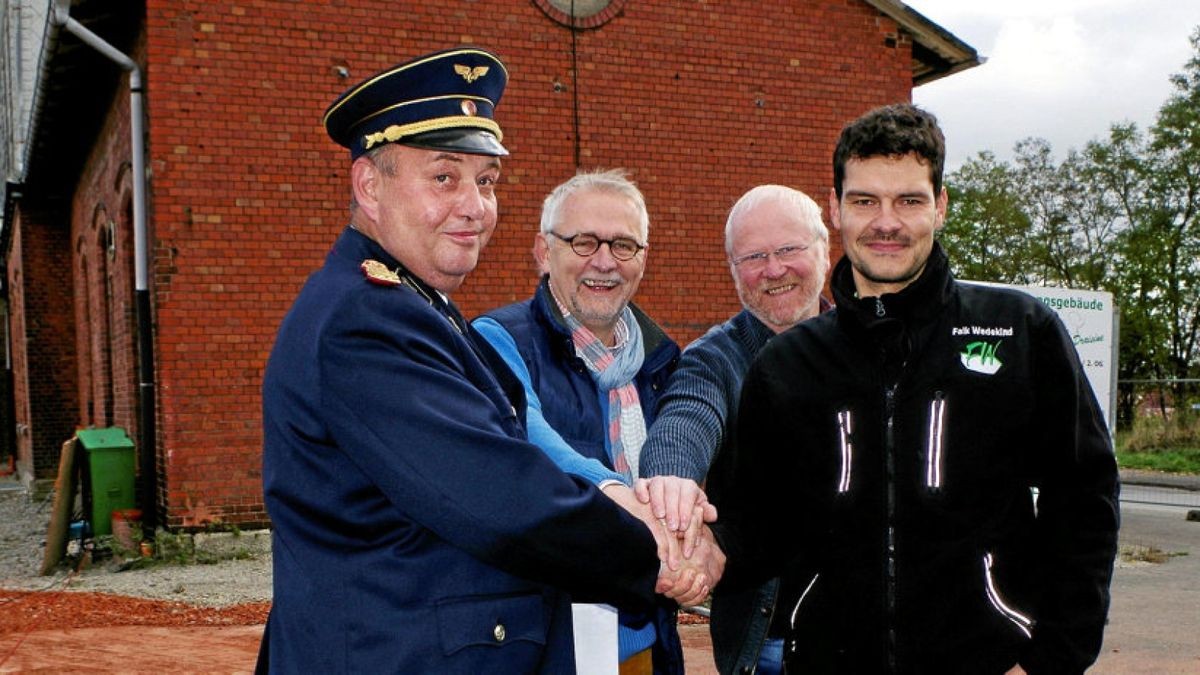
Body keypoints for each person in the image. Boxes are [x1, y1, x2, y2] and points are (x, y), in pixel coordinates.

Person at [258, 47, 718, 674]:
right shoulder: (365, 321)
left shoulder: (417, 307)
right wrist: (659, 552)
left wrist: (624, 502)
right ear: (369, 185)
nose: (474, 206)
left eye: (486, 181)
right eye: (444, 177)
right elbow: (500, 499)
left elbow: (524, 446)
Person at [713, 103, 1120, 674]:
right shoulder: (788, 364)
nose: (886, 222)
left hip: (988, 661)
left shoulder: (1021, 330)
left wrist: (1054, 658)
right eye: (864, 201)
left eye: (908, 200)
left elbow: (1084, 498)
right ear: (835, 209)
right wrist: (683, 547)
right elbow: (753, 525)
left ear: (941, 206)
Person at [474, 169, 718, 674]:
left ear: (643, 259)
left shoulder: (664, 363)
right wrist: (626, 507)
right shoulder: (495, 342)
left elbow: (692, 472)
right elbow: (531, 446)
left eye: (624, 246)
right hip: (542, 648)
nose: (604, 262)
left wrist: (702, 544)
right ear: (544, 251)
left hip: (646, 644)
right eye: (584, 242)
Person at [636, 184, 831, 674]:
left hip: (871, 636)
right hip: (766, 644)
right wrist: (672, 485)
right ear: (732, 270)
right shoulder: (715, 358)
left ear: (825, 248)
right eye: (753, 256)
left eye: (788, 250)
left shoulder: (875, 348)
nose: (773, 269)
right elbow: (686, 416)